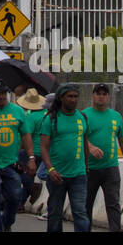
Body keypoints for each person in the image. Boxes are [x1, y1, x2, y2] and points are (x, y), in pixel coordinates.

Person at [39, 83, 90, 232]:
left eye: (75, 97)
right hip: (57, 175)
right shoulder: (51, 119)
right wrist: (50, 169)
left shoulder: (82, 117)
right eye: (70, 96)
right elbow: (44, 147)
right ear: (61, 98)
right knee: (55, 213)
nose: (73, 100)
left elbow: (85, 142)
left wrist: (86, 166)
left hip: (79, 175)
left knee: (80, 212)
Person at [0, 79, 33, 232]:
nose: (1, 97)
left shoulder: (18, 111)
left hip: (11, 163)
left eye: (3, 93)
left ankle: (6, 223)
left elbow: (25, 135)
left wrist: (31, 158)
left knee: (15, 196)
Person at [84, 83, 123, 232]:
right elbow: (78, 135)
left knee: (113, 204)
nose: (101, 96)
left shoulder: (116, 116)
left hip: (110, 168)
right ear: (93, 96)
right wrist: (90, 147)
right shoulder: (84, 114)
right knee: (86, 205)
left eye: (104, 94)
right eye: (98, 93)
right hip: (89, 168)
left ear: (108, 97)